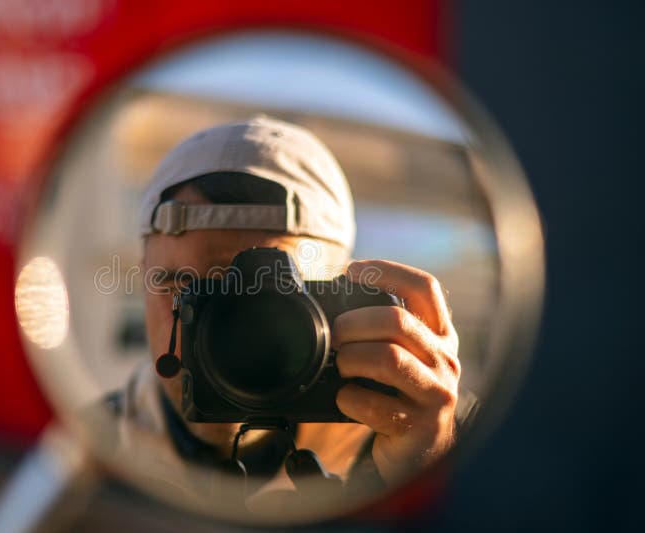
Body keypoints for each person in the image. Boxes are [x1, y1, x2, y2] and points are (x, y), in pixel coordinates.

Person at [100, 116, 478, 517]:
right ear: (143, 277)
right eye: (181, 287)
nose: (221, 330)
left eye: (260, 297)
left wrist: (426, 479)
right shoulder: (81, 461)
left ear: (336, 297)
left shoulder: (419, 432)